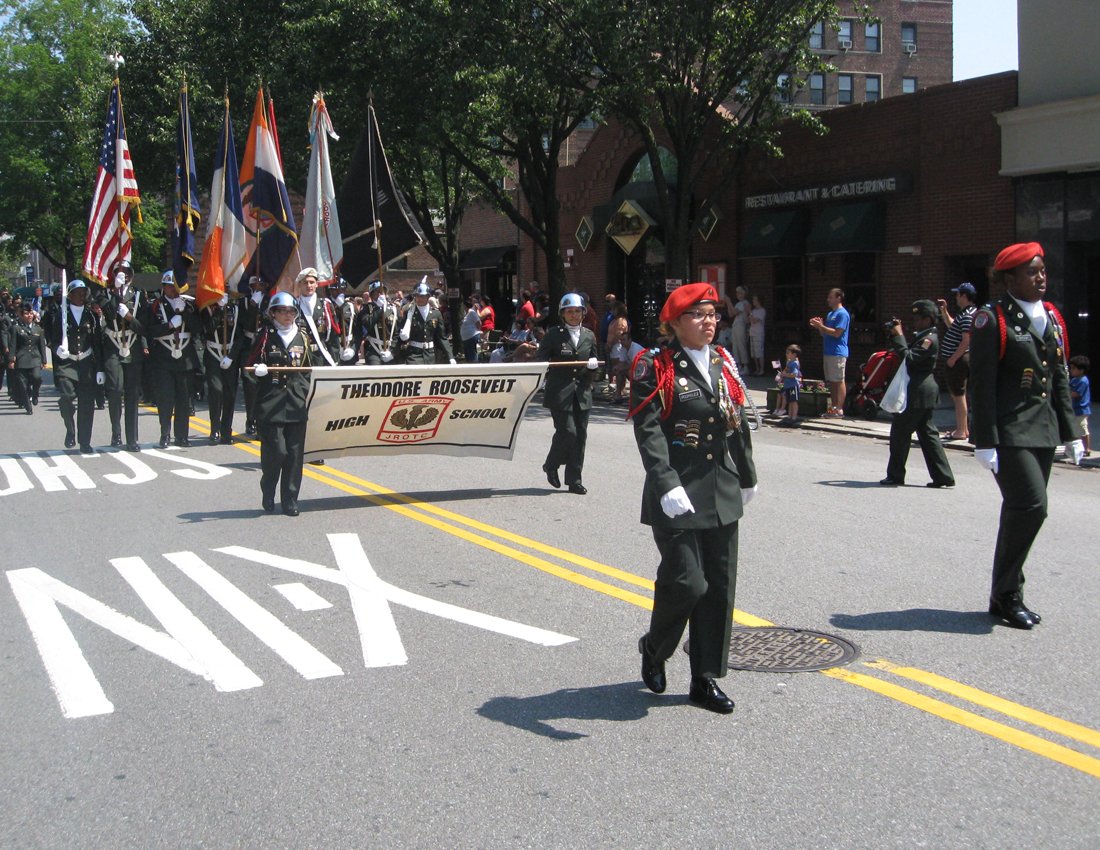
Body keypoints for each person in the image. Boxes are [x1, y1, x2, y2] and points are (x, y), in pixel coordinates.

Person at [628, 282, 757, 715]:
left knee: (718, 588)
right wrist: (665, 484)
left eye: (713, 314)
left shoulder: (724, 362)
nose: (710, 322)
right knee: (688, 582)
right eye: (699, 315)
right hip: (677, 492)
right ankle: (655, 647)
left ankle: (704, 678)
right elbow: (648, 432)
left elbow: (735, 423)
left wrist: (748, 476)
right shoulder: (655, 365)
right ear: (675, 323)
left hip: (720, 489)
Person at [970, 242, 1084, 629]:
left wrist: (1072, 433)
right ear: (1009, 278)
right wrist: (983, 440)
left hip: (1043, 429)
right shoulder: (993, 319)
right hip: (1009, 430)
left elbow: (1059, 377)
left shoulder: (1051, 316)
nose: (1041, 278)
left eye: (1042, 270)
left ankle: (1004, 593)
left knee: (1021, 512)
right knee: (1033, 506)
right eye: (1031, 272)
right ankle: (1006, 594)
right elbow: (981, 384)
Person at [248, 292, 324, 517]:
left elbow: (313, 367)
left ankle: (290, 499)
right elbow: (250, 368)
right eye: (282, 311)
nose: (287, 316)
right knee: (276, 452)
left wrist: (305, 392)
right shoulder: (265, 336)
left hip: (295, 403)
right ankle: (268, 490)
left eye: (291, 311)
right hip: (270, 404)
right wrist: (258, 371)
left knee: (294, 455)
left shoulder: (303, 337)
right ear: (273, 313)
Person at [880, 301, 955, 488]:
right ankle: (943, 476)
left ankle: (896, 475)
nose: (914, 322)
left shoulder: (929, 339)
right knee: (928, 435)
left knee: (900, 432)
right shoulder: (922, 336)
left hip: (918, 392)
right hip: (921, 392)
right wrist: (895, 336)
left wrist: (899, 338)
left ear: (928, 319)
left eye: (917, 318)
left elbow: (910, 359)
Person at [536, 293, 599, 494]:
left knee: (580, 436)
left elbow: (597, 361)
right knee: (567, 432)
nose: (574, 315)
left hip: (582, 392)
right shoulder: (554, 334)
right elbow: (541, 360)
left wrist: (593, 367)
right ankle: (551, 464)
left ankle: (574, 480)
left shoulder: (589, 335)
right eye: (569, 311)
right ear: (562, 314)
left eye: (577, 311)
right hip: (559, 391)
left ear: (583, 312)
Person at [141, 270, 200, 448]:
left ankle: (182, 436)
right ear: (163, 287)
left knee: (183, 400)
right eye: (168, 286)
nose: (172, 290)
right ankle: (165, 434)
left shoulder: (188, 305)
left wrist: (186, 315)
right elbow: (148, 331)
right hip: (163, 358)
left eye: (175, 287)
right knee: (165, 400)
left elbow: (199, 328)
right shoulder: (155, 306)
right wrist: (168, 326)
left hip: (184, 357)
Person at [95, 260, 147, 450]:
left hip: (132, 347)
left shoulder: (139, 296)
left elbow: (143, 328)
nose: (122, 276)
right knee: (115, 390)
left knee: (132, 394)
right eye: (118, 272)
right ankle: (116, 432)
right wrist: (116, 294)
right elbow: (108, 314)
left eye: (125, 273)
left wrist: (129, 318)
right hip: (112, 346)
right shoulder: (104, 295)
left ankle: (132, 439)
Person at [46, 279, 103, 452]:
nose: (81, 295)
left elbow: (97, 344)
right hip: (67, 364)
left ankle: (84, 441)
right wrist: (57, 350)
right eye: (77, 293)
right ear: (69, 295)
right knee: (66, 398)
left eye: (83, 292)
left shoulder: (91, 316)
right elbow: (51, 340)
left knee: (87, 405)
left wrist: (100, 368)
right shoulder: (60, 315)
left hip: (86, 364)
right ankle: (70, 430)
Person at [199, 292, 247, 444]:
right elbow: (207, 330)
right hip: (213, 353)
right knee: (216, 390)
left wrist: (232, 356)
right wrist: (219, 310)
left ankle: (226, 431)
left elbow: (241, 336)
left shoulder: (236, 309)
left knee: (230, 394)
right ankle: (215, 429)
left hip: (230, 355)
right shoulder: (207, 308)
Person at [937, 282, 977, 441]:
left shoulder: (968, 315)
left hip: (959, 361)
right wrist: (944, 311)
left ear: (964, 296)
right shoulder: (966, 313)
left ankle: (961, 430)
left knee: (958, 395)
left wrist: (953, 359)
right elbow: (952, 325)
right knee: (957, 395)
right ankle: (963, 428)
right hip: (958, 360)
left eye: (958, 294)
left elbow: (966, 340)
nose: (956, 297)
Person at [809, 288, 850, 418]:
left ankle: (839, 409)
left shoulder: (842, 314)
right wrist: (819, 326)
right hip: (828, 351)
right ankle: (833, 407)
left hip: (838, 352)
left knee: (839, 380)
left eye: (830, 297)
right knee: (831, 381)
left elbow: (837, 333)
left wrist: (822, 326)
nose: (828, 299)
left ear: (838, 298)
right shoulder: (830, 314)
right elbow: (825, 333)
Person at [399, 280, 455, 365]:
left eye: (423, 296)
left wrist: (450, 357)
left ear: (428, 297)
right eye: (417, 296)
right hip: (414, 354)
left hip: (430, 354)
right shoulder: (409, 312)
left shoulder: (436, 314)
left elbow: (441, 337)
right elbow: (400, 333)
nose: (420, 298)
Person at [7, 302, 46, 414]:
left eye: (30, 313)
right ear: (22, 315)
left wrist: (44, 360)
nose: (29, 316)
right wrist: (11, 359)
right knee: (23, 385)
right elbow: (13, 344)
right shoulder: (16, 328)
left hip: (35, 358)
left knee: (37, 377)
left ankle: (35, 394)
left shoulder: (38, 329)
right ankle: (28, 406)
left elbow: (42, 346)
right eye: (26, 313)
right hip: (22, 358)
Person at [295, 268, 339, 365]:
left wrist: (335, 358)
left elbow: (333, 336)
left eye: (312, 282)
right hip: (300, 356)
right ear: (299, 285)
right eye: (305, 283)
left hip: (321, 355)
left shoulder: (325, 305)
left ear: (317, 284)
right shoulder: (293, 306)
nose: (309, 285)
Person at [354, 280, 400, 365]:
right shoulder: (366, 309)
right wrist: (378, 308)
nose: (379, 294)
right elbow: (368, 324)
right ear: (371, 295)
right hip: (373, 348)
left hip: (390, 348)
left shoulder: (393, 309)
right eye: (376, 292)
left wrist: (392, 350)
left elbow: (397, 332)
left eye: (382, 291)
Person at [608, 326, 644, 403]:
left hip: (643, 370)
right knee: (619, 372)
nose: (621, 342)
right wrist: (617, 367)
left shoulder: (635, 348)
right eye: (621, 340)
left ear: (629, 340)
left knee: (629, 372)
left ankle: (634, 396)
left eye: (624, 340)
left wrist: (622, 368)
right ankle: (618, 395)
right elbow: (621, 362)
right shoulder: (623, 348)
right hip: (634, 369)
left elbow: (634, 364)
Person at [1067, 355, 1090, 456]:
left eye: (1073, 368)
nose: (1071, 370)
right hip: (1074, 409)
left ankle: (1087, 448)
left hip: (1081, 410)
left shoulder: (1083, 381)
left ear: (1081, 370)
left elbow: (1076, 394)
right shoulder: (1073, 380)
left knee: (1083, 429)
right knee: (1075, 429)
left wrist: (1065, 394)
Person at [774, 344, 801, 423]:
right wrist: (781, 375)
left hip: (793, 385)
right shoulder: (789, 363)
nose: (786, 354)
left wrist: (786, 374)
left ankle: (794, 417)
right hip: (788, 385)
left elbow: (795, 374)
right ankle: (789, 416)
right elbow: (785, 370)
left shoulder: (795, 363)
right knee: (789, 401)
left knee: (793, 401)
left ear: (794, 354)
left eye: (788, 353)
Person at [727, 285, 751, 370]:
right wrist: (728, 304)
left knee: (741, 345)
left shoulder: (745, 303)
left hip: (741, 325)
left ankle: (745, 366)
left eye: (740, 293)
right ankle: (738, 365)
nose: (738, 294)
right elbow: (730, 314)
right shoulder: (738, 303)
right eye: (737, 293)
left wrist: (729, 301)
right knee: (735, 346)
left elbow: (734, 312)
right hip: (736, 325)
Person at [459, 293, 483, 363]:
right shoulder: (465, 313)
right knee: (468, 355)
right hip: (466, 338)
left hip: (472, 336)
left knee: (472, 354)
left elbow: (479, 323)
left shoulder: (472, 312)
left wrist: (477, 331)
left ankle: (475, 368)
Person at [748, 294, 766, 376]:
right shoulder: (753, 311)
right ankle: (757, 369)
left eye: (755, 300)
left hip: (759, 333)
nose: (753, 302)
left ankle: (762, 369)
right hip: (752, 333)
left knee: (759, 352)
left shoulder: (762, 311)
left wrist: (749, 312)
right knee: (754, 353)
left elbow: (755, 320)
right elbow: (749, 320)